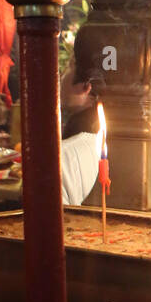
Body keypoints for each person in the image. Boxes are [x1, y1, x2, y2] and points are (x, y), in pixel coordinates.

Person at [59, 65, 102, 205]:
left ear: (85, 86)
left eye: (65, 71)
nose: (59, 81)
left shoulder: (81, 132)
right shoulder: (94, 122)